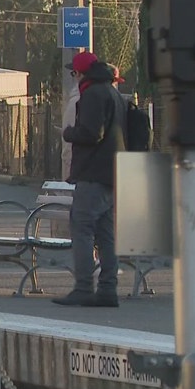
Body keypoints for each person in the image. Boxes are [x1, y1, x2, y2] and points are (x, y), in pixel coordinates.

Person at [53, 52, 125, 308]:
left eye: (74, 73)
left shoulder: (93, 94)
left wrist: (69, 133)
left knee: (81, 227)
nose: (73, 78)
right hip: (113, 172)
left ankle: (84, 287)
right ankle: (108, 289)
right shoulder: (114, 93)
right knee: (106, 234)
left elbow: (92, 133)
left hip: (94, 173)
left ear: (80, 74)